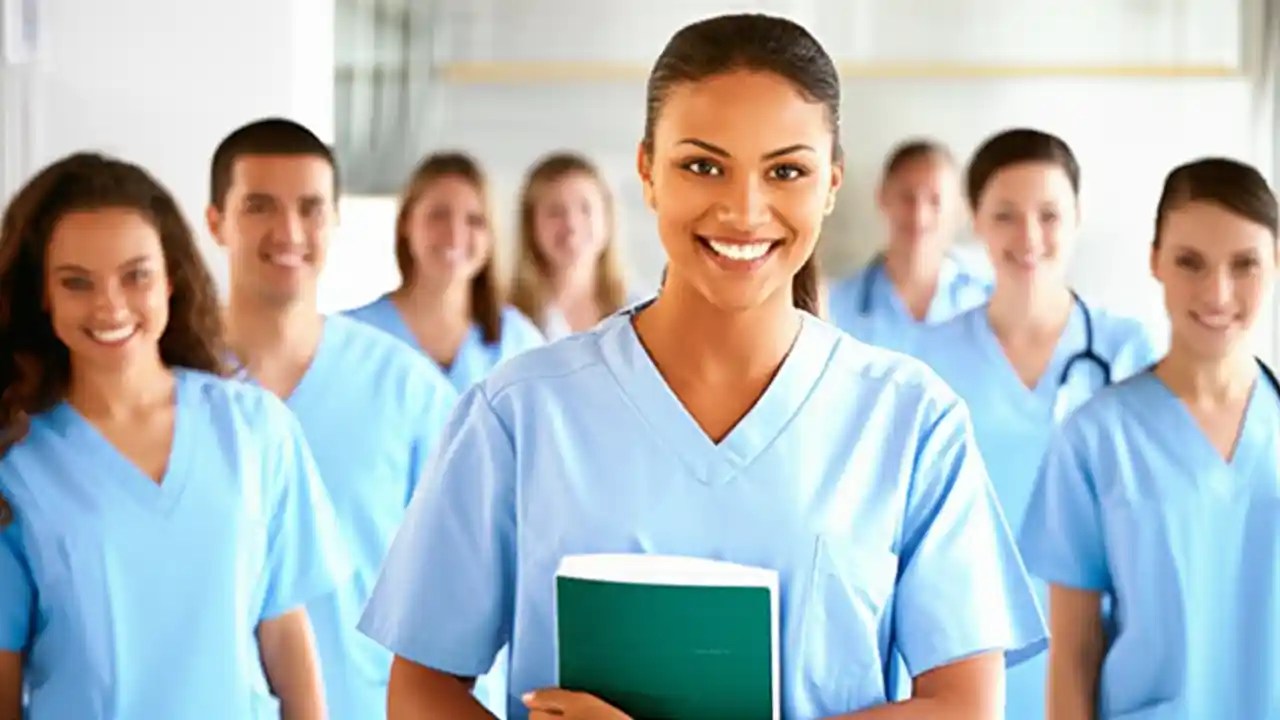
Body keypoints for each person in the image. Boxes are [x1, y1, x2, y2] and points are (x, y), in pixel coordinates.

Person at [357, 13, 1047, 720]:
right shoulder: (520, 414)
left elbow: (964, 705)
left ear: (832, 183)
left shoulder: (909, 421)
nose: (744, 209)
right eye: (703, 165)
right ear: (648, 172)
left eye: (786, 171)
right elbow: (422, 688)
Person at [0, 152, 346, 719]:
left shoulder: (256, 430)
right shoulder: (17, 464)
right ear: (44, 296)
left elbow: (285, 634)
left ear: (170, 281)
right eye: (77, 283)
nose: (110, 305)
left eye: (135, 276)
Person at [206, 119, 461, 719]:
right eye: (259, 206)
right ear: (216, 221)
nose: (289, 231)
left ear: (336, 221)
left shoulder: (407, 390)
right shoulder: (171, 387)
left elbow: (459, 590)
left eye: (311, 208)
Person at [911, 128, 1163, 719]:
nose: (1028, 237)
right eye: (1005, 215)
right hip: (969, 657)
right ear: (975, 221)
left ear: (1078, 217)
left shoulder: (1130, 351)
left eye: (1049, 214)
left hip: (1104, 656)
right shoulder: (925, 365)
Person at [1019, 157, 1280, 719]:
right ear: (1155, 260)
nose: (1217, 292)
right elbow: (1074, 654)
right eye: (1191, 262)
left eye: (1245, 264)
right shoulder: (1095, 439)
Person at [344, 152, 544, 392]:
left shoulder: (517, 340)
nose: (455, 234)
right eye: (438, 216)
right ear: (406, 222)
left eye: (474, 220)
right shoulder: (353, 337)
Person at [827, 139, 992, 354]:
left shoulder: (990, 300)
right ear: (882, 198)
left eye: (935, 200)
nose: (919, 216)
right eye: (907, 198)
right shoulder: (835, 307)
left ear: (961, 209)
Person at [510, 151, 631, 340]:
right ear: (531, 225)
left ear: (607, 219)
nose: (571, 224)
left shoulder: (642, 312)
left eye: (585, 209)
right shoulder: (507, 320)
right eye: (555, 212)